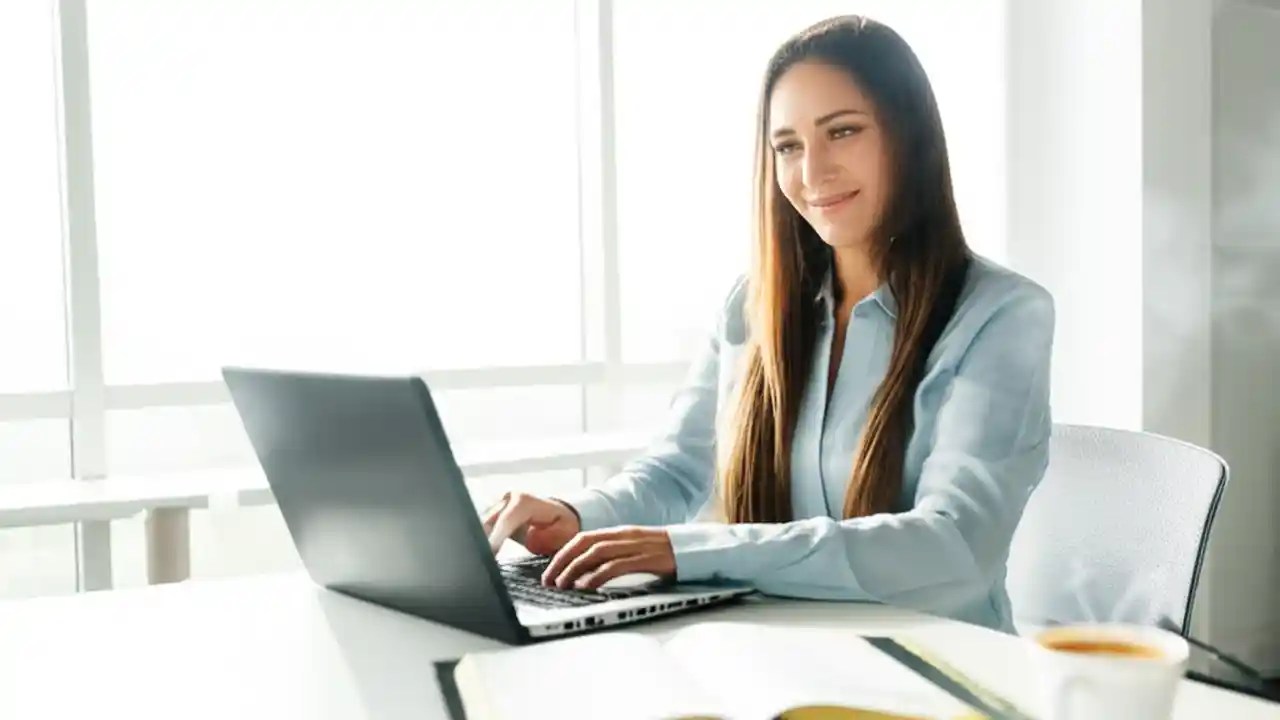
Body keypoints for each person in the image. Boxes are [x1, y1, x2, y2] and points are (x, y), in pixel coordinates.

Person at [482, 14, 1054, 633]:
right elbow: (678, 469)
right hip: (781, 650)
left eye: (843, 131)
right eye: (788, 146)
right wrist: (575, 515)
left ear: (908, 136)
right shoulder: (751, 304)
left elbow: (954, 545)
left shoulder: (1002, 314)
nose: (812, 173)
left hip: (942, 666)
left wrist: (692, 553)